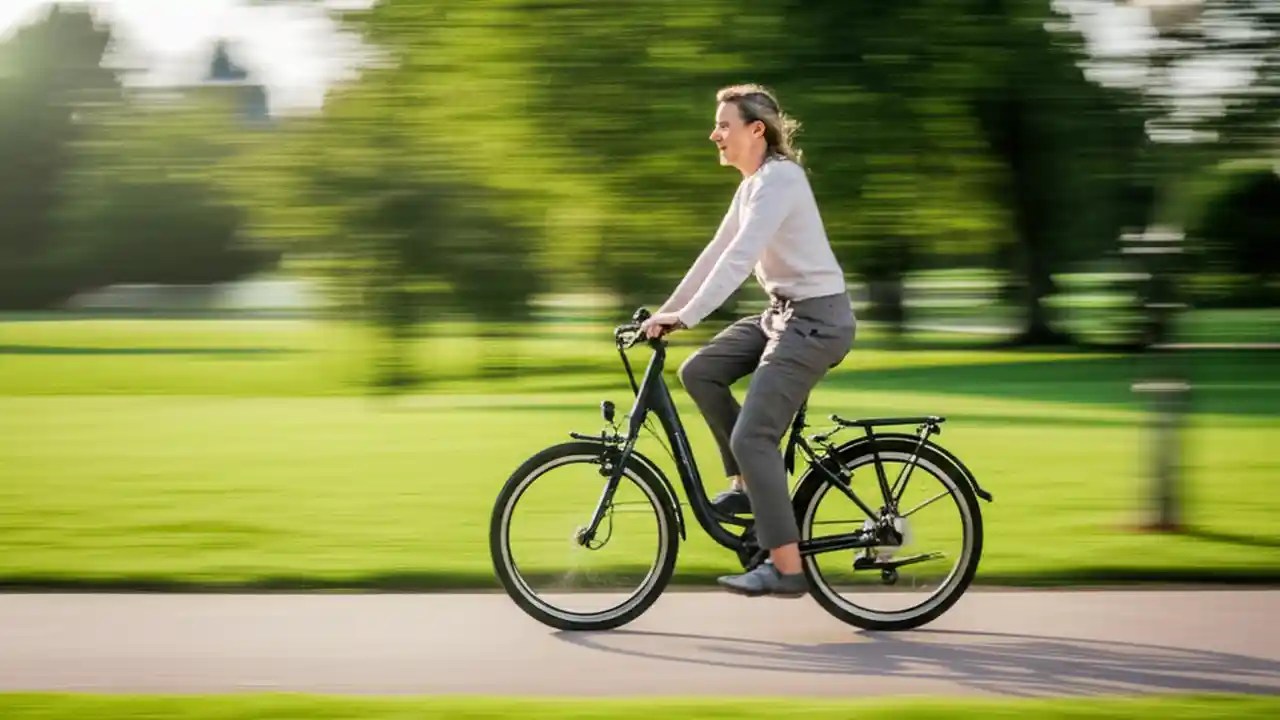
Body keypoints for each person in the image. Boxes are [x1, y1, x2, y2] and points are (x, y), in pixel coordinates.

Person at [639, 84, 856, 597]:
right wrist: (669, 311)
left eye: (724, 125)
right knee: (700, 371)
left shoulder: (780, 181)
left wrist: (687, 317)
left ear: (756, 130)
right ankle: (746, 488)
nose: (714, 134)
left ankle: (786, 567)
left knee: (752, 436)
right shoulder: (754, 184)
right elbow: (716, 252)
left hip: (816, 322)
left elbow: (739, 262)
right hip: (783, 314)